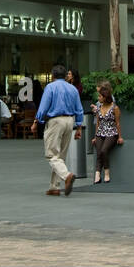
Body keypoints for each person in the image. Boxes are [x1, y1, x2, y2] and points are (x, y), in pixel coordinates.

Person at [31, 64, 84, 196]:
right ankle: (54, 187)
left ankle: (67, 176)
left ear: (53, 76)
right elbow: (79, 109)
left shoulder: (50, 87)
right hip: (69, 121)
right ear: (66, 76)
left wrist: (36, 121)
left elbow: (43, 107)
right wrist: (79, 127)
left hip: (55, 121)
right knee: (60, 156)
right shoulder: (72, 89)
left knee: (51, 154)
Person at [90, 80, 123, 184]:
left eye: (100, 96)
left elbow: (117, 123)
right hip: (100, 132)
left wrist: (120, 137)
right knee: (99, 152)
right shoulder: (99, 108)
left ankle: (107, 172)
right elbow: (98, 123)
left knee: (104, 151)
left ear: (105, 97)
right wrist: (95, 136)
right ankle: (97, 174)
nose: (98, 98)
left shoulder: (115, 108)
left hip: (111, 133)